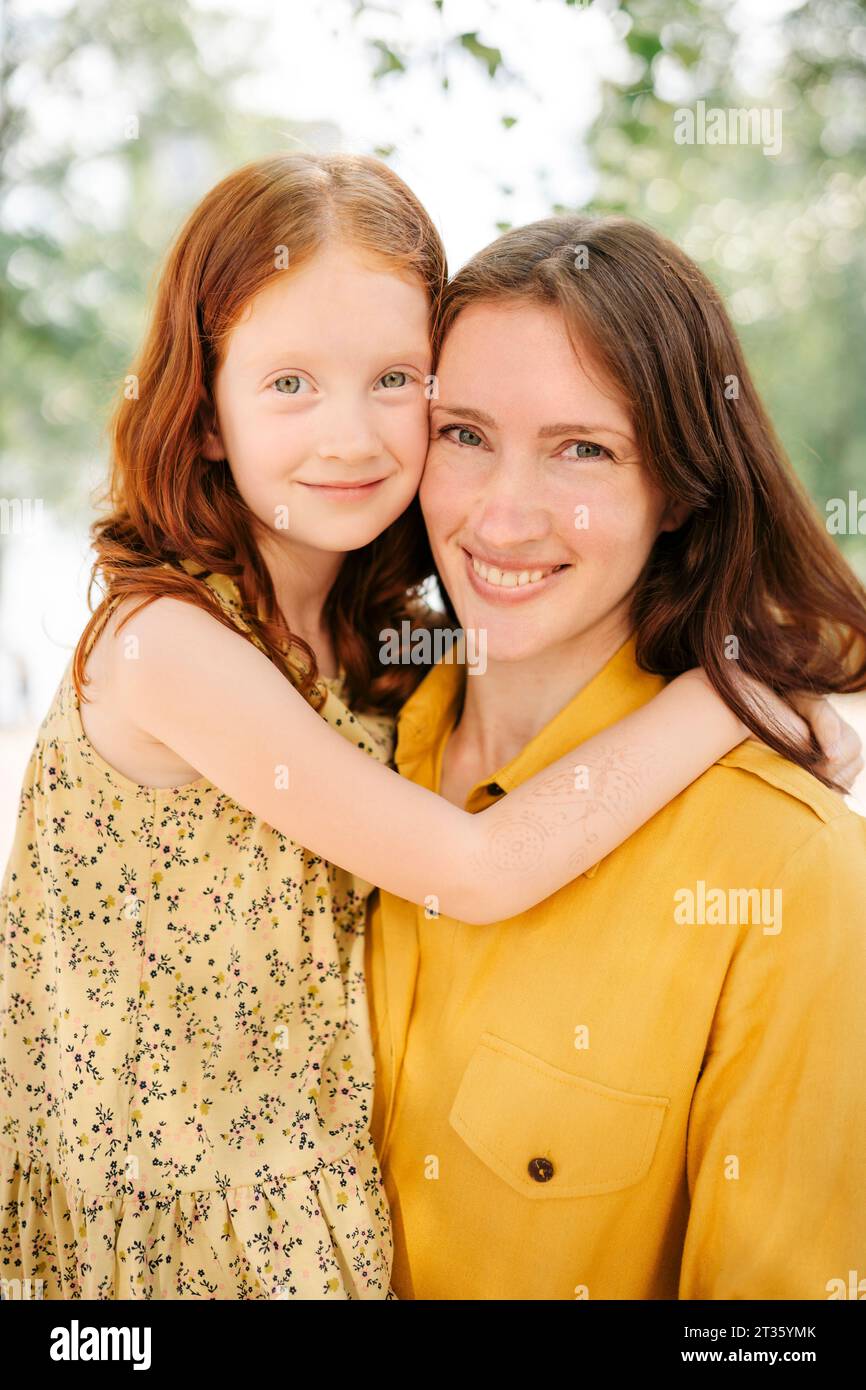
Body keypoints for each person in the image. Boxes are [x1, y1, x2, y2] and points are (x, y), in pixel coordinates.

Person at [2, 157, 818, 1302]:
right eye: (289, 382)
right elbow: (474, 868)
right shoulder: (170, 648)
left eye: (394, 379)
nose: (350, 436)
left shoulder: (373, 641)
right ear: (203, 411)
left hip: (309, 1217)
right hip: (165, 1237)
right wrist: (748, 691)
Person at [366, 213, 866, 1301]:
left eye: (582, 449)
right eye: (464, 434)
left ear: (679, 489)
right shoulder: (337, 751)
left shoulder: (788, 873)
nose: (503, 513)